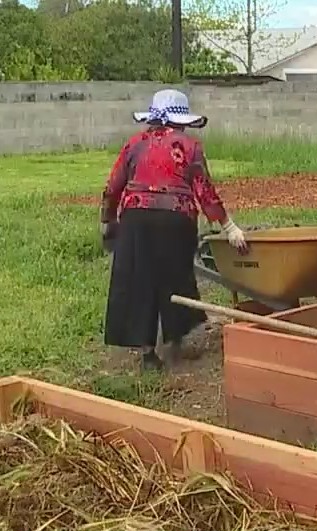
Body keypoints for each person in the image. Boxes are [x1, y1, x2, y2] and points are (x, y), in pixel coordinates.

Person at [100, 89, 248, 371]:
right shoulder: (190, 147)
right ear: (181, 121)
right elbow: (205, 192)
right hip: (175, 220)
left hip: (136, 220)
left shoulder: (134, 145)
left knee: (140, 281)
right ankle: (175, 342)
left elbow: (112, 188)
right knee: (176, 277)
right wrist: (229, 227)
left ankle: (147, 354)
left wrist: (108, 221)